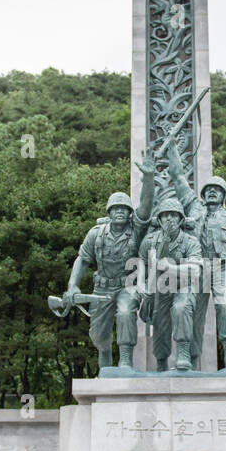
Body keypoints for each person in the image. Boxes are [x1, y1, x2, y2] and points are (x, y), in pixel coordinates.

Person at [62, 152, 157, 369]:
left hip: (127, 286)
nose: (121, 212)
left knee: (125, 314)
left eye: (125, 209)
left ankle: (125, 361)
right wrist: (72, 285)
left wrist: (149, 178)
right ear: (109, 213)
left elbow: (146, 205)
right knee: (99, 335)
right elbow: (83, 259)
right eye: (116, 209)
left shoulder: (136, 229)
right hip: (101, 289)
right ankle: (105, 360)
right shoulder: (96, 234)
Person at [165, 166, 226, 368]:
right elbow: (179, 179)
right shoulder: (194, 208)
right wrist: (171, 144)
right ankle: (186, 355)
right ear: (203, 194)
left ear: (224, 194)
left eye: (217, 189)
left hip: (223, 267)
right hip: (195, 267)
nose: (212, 192)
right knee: (189, 310)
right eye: (208, 189)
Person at [137, 199, 204, 370]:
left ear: (181, 219)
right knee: (160, 324)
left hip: (184, 286)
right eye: (165, 215)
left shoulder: (190, 241)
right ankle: (161, 363)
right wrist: (142, 287)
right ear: (159, 220)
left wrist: (170, 268)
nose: (169, 219)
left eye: (174, 215)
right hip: (159, 288)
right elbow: (140, 267)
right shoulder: (149, 242)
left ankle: (183, 354)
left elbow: (195, 271)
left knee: (181, 308)